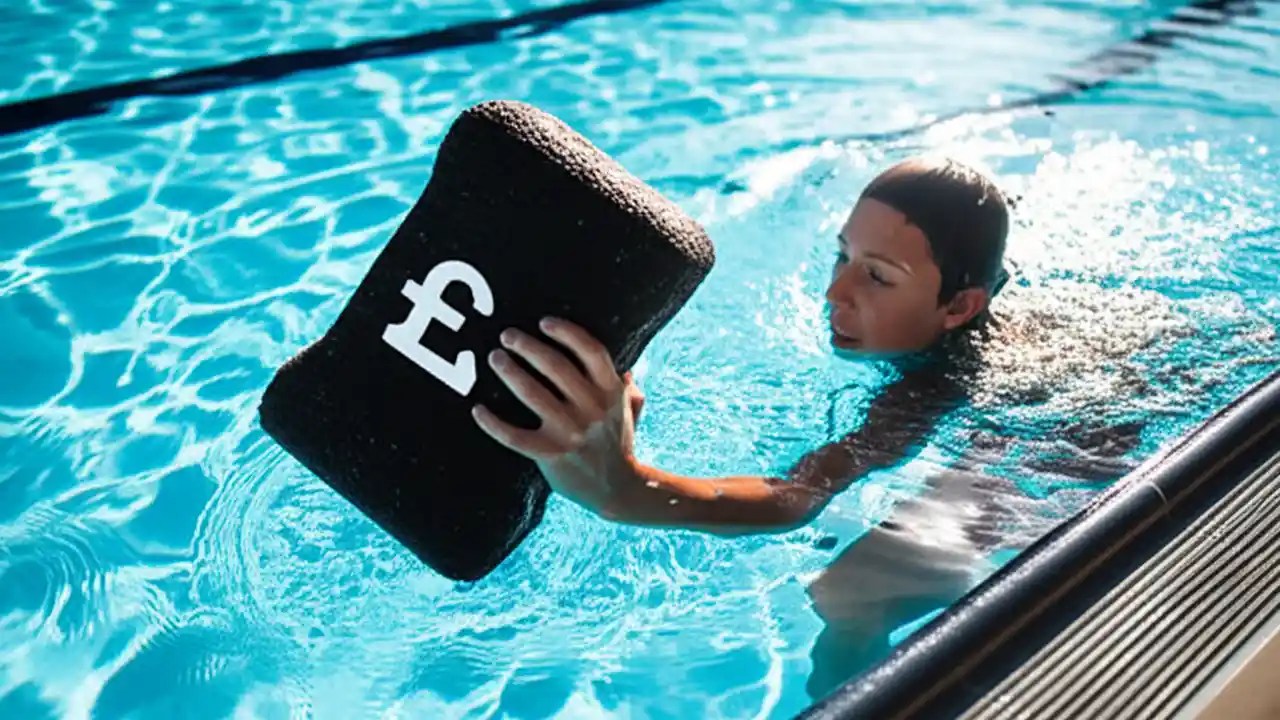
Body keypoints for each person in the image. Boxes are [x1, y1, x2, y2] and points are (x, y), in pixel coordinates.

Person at [470, 155, 1012, 698]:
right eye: (841, 256)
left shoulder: (934, 385)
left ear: (960, 307)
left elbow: (797, 496)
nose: (834, 293)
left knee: (851, 596)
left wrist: (627, 489)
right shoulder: (919, 338)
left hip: (1059, 446)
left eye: (876, 276)